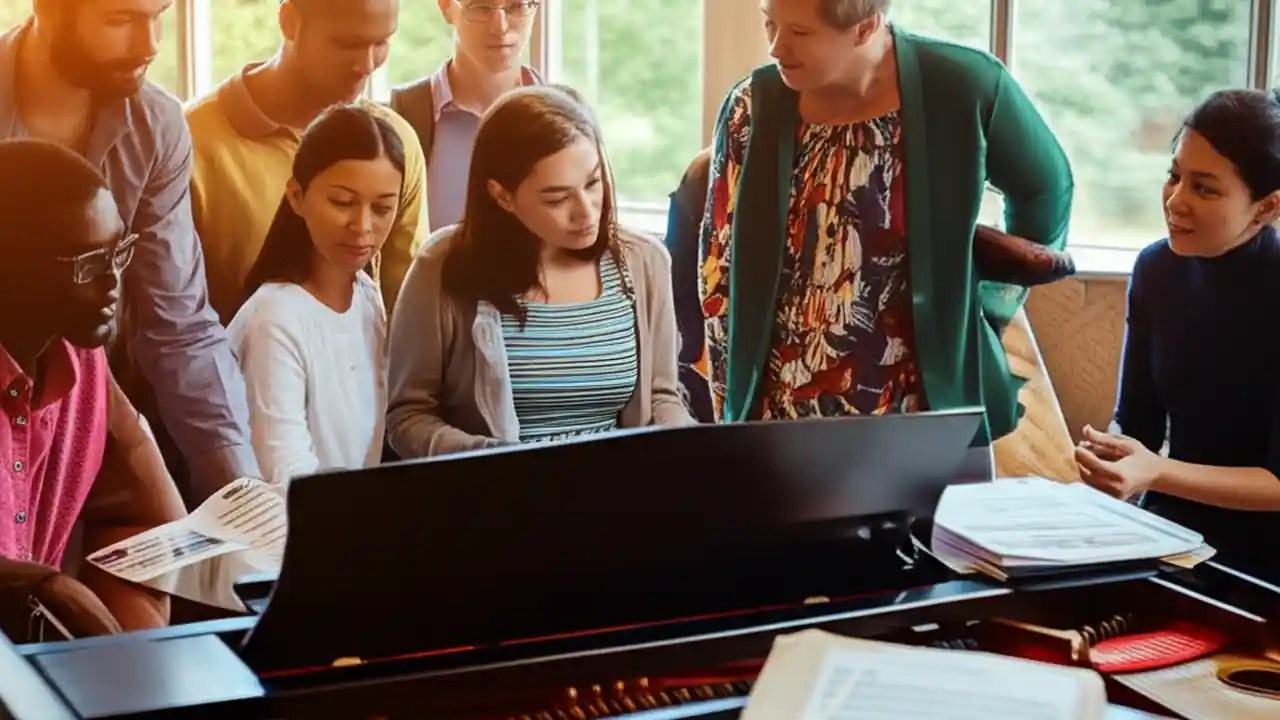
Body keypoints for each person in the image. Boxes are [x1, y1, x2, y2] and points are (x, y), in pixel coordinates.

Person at [700, 0, 1073, 445]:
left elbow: (1047, 189)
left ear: (865, 26)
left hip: (917, 414)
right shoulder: (750, 108)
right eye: (769, 24)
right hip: (776, 419)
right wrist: (728, 412)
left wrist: (988, 307)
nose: (777, 48)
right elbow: (718, 269)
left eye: (800, 33)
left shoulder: (962, 86)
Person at [0, 0, 259, 502]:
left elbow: (179, 324)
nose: (150, 44)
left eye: (159, 14)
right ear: (47, 9)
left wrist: (240, 493)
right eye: (121, 20)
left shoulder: (156, 125)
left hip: (91, 434)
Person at [388, 86, 693, 456]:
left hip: (620, 499)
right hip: (495, 501)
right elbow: (408, 416)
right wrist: (487, 457)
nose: (587, 211)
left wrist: (686, 445)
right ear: (502, 196)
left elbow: (662, 394)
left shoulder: (644, 262)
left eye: (593, 183)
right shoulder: (442, 266)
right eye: (557, 198)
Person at [1075, 89, 1280, 584]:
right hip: (1169, 538)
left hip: (1266, 565)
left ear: (1267, 207)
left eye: (1204, 188)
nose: (1175, 200)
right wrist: (1110, 457)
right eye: (1174, 175)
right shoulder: (1155, 269)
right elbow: (1136, 422)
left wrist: (1156, 472)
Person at [0, 139, 186, 640]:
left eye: (118, 252)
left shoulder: (84, 361)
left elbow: (142, 515)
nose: (112, 283)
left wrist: (123, 656)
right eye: (87, 263)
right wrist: (43, 587)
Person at [185, 0, 428, 325]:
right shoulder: (191, 142)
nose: (367, 65)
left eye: (381, 42)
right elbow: (169, 323)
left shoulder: (394, 143)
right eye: (347, 44)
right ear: (289, 21)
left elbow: (408, 312)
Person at [228, 106, 400, 485]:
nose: (363, 226)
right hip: (295, 530)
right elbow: (284, 476)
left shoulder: (367, 296)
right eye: (342, 202)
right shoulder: (274, 317)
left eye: (383, 207)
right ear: (297, 196)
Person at [390, 0, 543, 231]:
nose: (500, 26)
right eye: (481, 7)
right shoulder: (406, 115)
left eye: (517, 6)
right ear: (445, 7)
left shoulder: (566, 117)